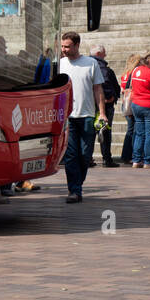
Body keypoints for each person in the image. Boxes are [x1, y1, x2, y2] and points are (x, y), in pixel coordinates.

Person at [58, 32, 106, 203]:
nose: (64, 50)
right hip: (67, 117)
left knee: (85, 155)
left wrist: (102, 113)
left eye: (67, 46)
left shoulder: (91, 63)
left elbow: (98, 89)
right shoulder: (60, 65)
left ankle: (77, 184)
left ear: (77, 45)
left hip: (86, 115)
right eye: (62, 46)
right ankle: (74, 190)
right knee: (71, 155)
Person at [126, 51, 150, 169]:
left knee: (139, 133)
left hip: (136, 104)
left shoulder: (135, 70)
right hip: (149, 105)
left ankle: (136, 160)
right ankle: (148, 160)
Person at [91, 45, 121, 167]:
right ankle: (107, 159)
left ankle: (87, 158)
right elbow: (108, 85)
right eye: (104, 53)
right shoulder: (103, 68)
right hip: (105, 105)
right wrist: (111, 97)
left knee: (90, 133)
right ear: (98, 53)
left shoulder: (87, 65)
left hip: (90, 105)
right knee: (105, 132)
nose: (106, 55)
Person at [119, 52, 141, 166]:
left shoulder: (125, 74)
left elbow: (123, 89)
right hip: (132, 103)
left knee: (130, 130)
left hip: (126, 103)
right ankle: (128, 155)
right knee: (133, 131)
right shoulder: (134, 74)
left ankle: (126, 155)